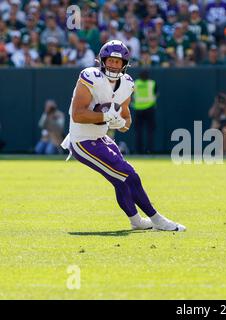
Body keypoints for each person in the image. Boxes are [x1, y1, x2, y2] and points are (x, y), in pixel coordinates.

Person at [60, 40, 185, 232]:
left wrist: (120, 123)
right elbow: (77, 114)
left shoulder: (127, 84)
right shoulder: (90, 77)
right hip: (82, 140)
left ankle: (136, 221)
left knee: (120, 179)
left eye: (117, 62)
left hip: (102, 137)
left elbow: (126, 120)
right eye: (110, 60)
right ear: (102, 60)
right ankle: (157, 219)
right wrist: (105, 116)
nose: (113, 65)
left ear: (124, 65)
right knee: (129, 175)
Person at [132, 70, 158, 154]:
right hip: (150, 108)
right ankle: (150, 150)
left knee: (138, 131)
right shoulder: (152, 83)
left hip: (138, 109)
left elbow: (131, 95)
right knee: (150, 131)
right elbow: (156, 94)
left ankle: (138, 150)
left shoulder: (136, 83)